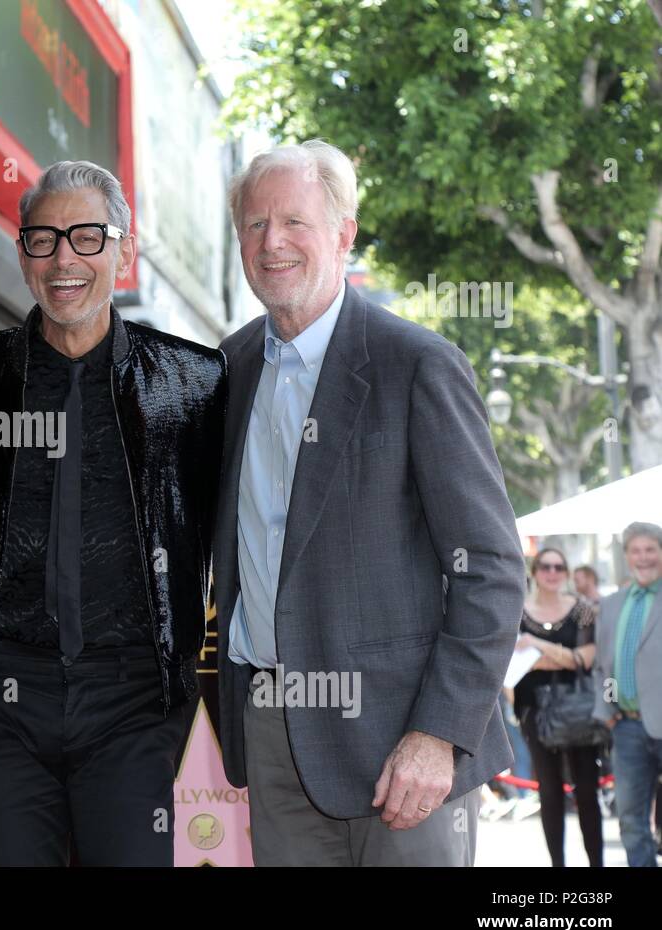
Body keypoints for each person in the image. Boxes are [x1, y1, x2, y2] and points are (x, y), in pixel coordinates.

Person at [213, 140, 526, 866]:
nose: (273, 242)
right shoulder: (227, 371)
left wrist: (440, 733)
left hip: (400, 745)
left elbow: (491, 568)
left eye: (295, 221)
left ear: (344, 233)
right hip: (271, 736)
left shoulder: (414, 364)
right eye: (255, 225)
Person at [0, 160, 227, 865]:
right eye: (44, 239)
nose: (65, 259)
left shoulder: (195, 384)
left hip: (135, 703)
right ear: (23, 251)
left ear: (124, 251)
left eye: (88, 237)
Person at [514, 547, 602, 866]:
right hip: (532, 710)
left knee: (587, 791)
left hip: (578, 707)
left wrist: (537, 647)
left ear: (566, 572)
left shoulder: (583, 609)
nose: (552, 572)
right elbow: (511, 664)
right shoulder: (517, 611)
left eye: (559, 567)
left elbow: (585, 659)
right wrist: (562, 656)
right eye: (546, 566)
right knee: (549, 793)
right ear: (535, 571)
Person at [592, 521, 662, 866]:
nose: (644, 557)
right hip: (628, 728)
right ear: (627, 557)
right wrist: (607, 710)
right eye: (636, 550)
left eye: (651, 549)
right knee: (632, 823)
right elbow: (603, 667)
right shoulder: (611, 604)